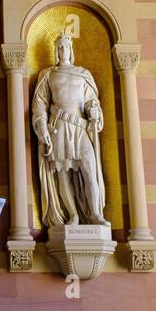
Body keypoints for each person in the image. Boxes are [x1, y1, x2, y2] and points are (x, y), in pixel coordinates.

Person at [31, 31, 107, 226]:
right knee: (62, 173)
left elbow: (92, 100)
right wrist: (42, 128)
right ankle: (72, 214)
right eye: (60, 47)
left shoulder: (83, 74)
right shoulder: (48, 75)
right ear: (56, 51)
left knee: (89, 169)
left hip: (79, 128)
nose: (63, 50)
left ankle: (95, 213)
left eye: (66, 46)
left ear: (71, 49)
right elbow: (40, 104)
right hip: (59, 127)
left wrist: (94, 110)